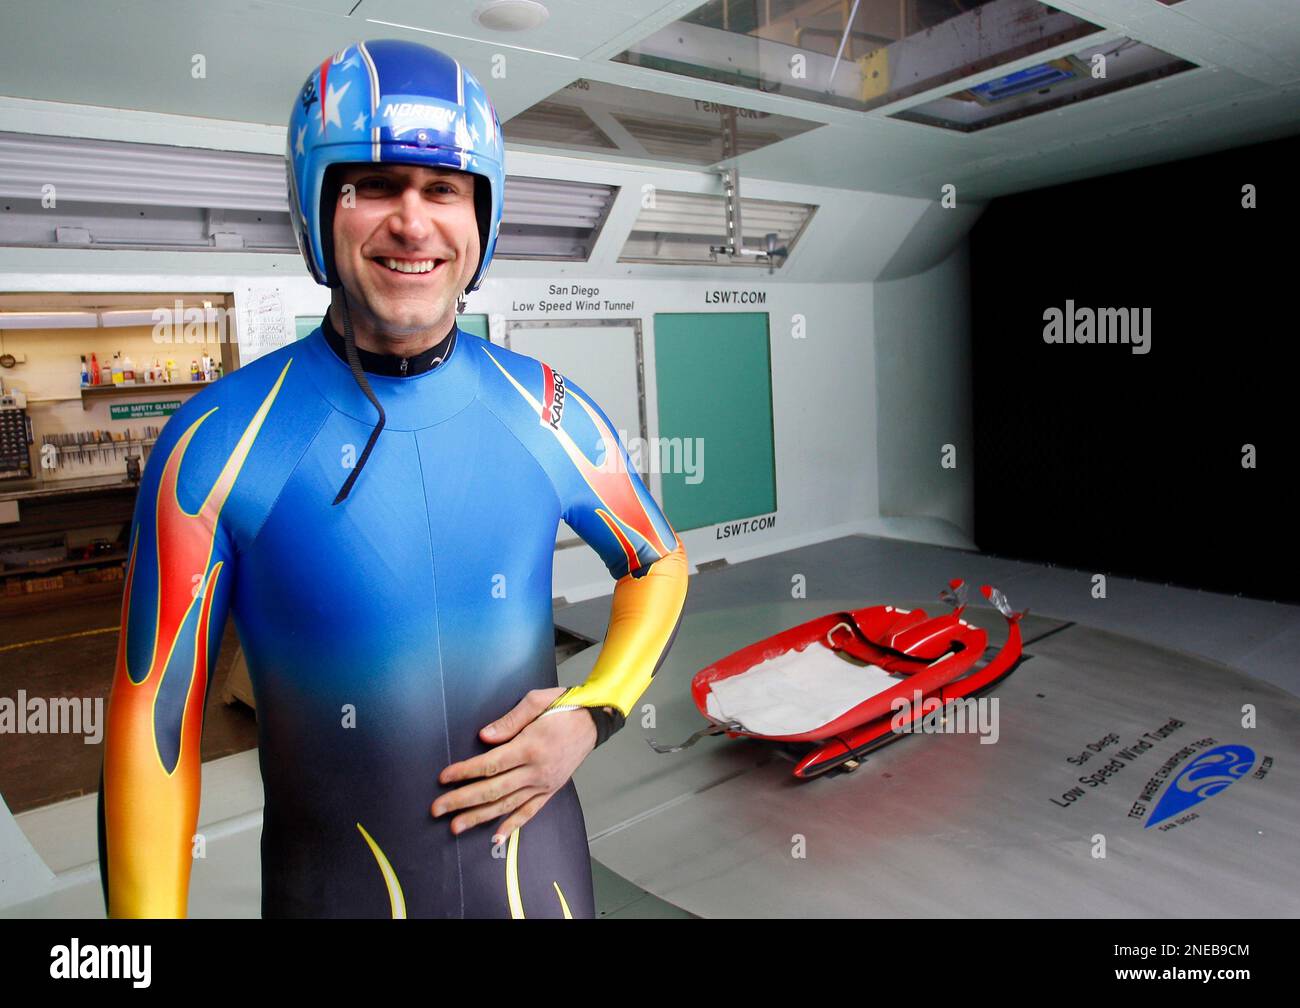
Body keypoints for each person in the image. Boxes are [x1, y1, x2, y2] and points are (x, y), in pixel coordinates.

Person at [97, 38, 689, 918]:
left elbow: (659, 564)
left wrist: (594, 709)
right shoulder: (217, 444)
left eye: (444, 189)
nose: (414, 223)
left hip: (544, 888)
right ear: (316, 206)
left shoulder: (547, 407)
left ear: (480, 218)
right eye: (374, 184)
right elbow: (153, 729)